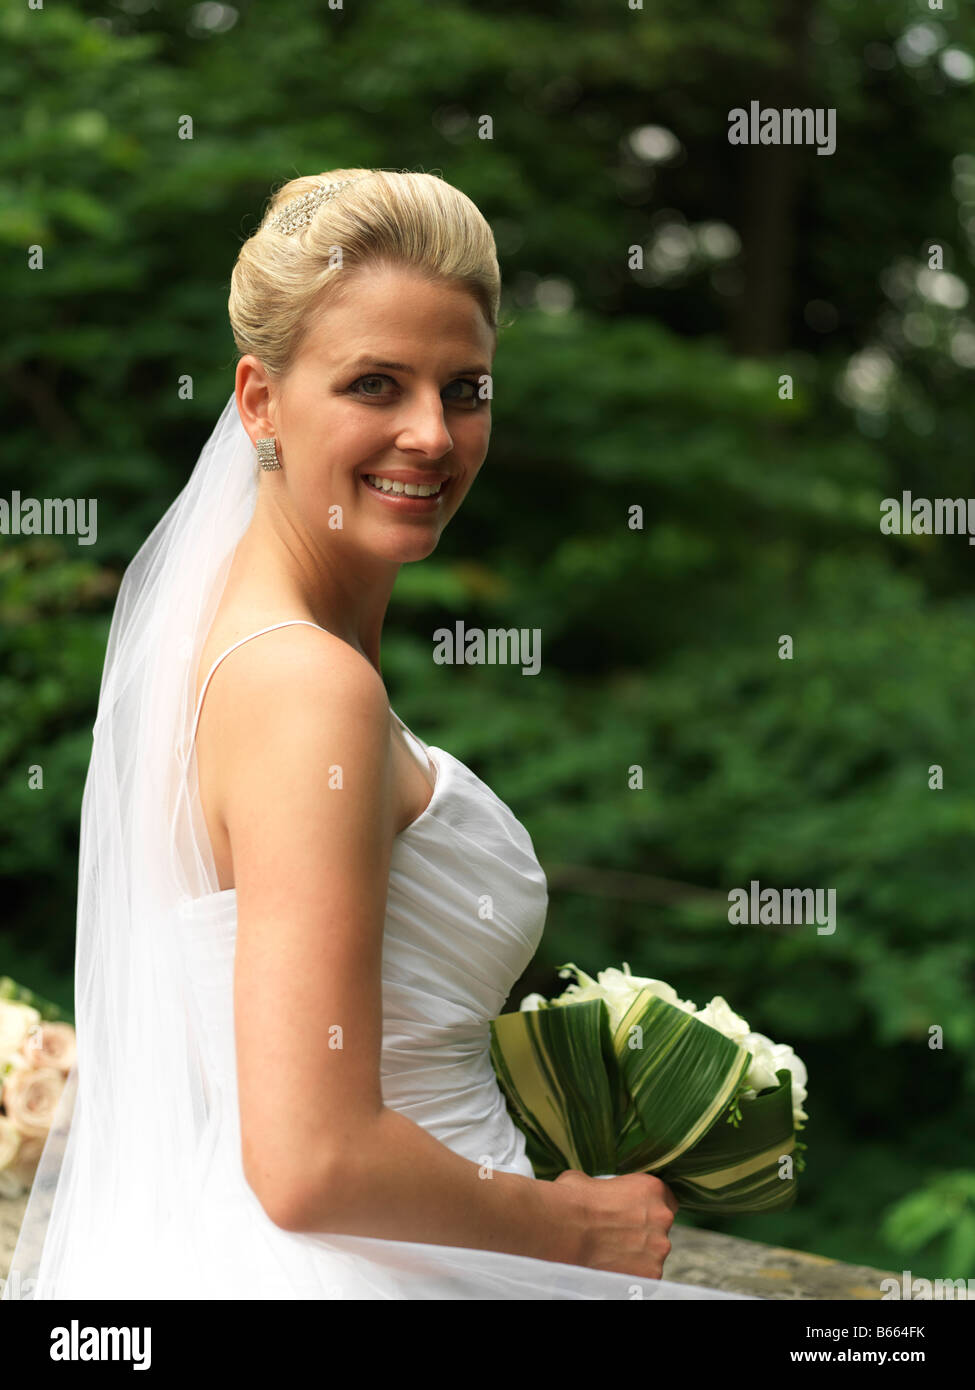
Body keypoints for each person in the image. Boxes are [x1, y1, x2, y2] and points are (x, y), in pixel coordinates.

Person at [3, 169, 756, 1300]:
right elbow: (311, 1162)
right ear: (259, 402)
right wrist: (577, 1230)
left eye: (466, 388)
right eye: (374, 383)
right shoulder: (309, 687)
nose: (430, 434)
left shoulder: (222, 642)